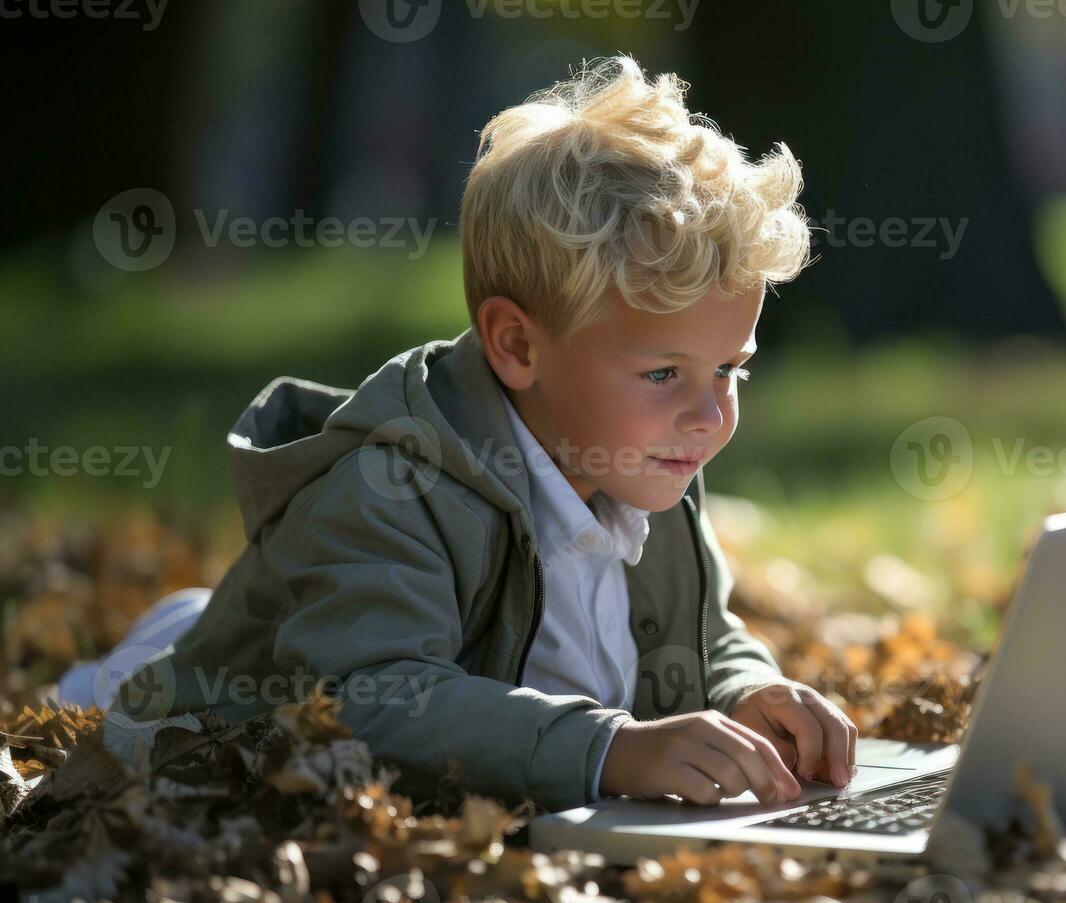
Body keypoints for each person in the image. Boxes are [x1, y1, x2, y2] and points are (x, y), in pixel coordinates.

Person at [75, 55, 857, 814]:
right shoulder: (392, 493)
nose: (709, 413)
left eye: (731, 370)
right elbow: (370, 703)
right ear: (518, 346)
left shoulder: (645, 461)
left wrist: (748, 692)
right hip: (200, 707)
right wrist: (610, 752)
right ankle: (154, 650)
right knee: (128, 692)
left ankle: (192, 616)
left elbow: (705, 634)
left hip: (505, 723)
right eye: (663, 374)